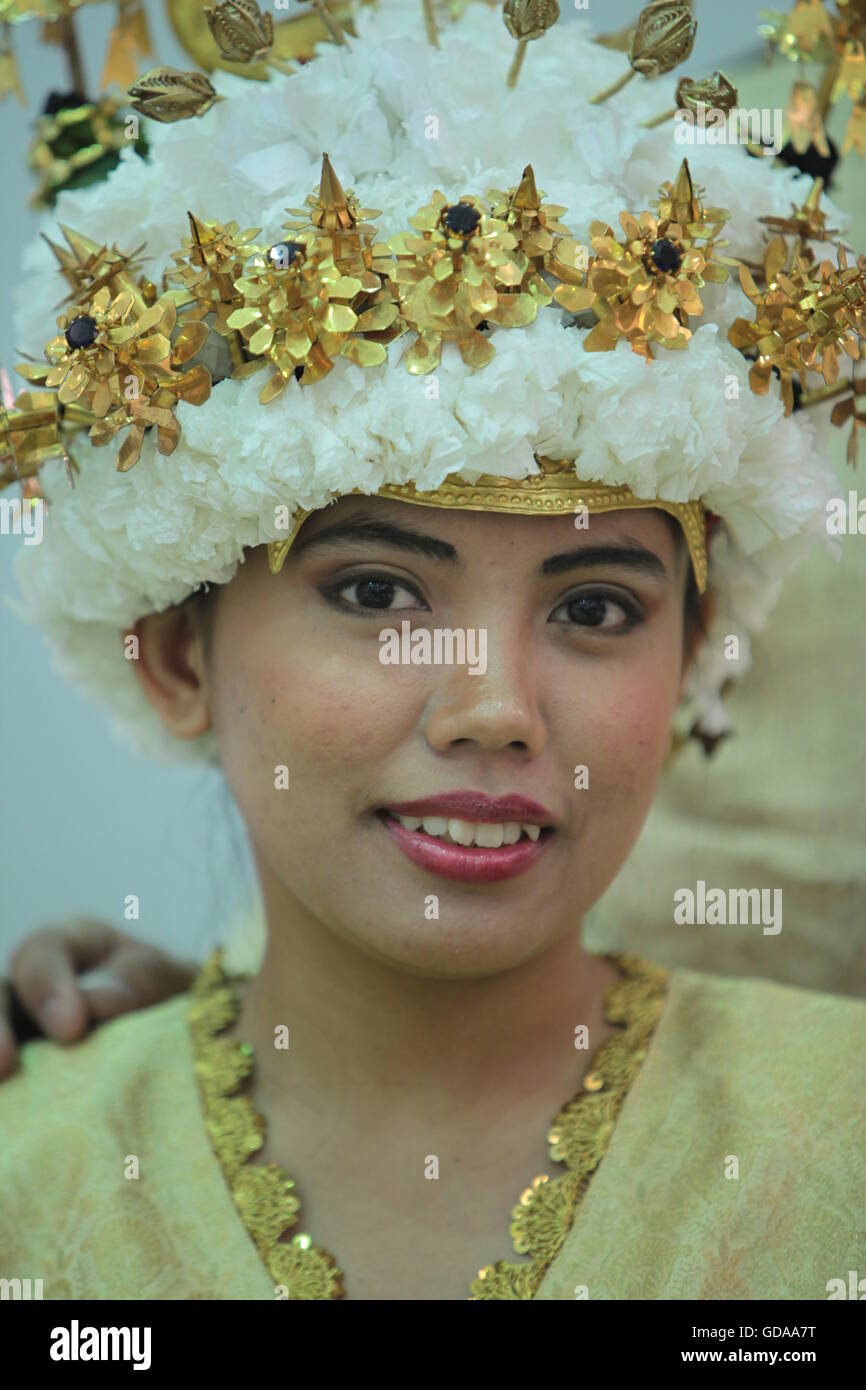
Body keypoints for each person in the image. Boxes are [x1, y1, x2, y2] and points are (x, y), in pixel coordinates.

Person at [1, 2, 863, 1301]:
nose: (492, 708)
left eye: (592, 610)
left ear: (693, 662)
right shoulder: (37, 1184)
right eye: (371, 587)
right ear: (176, 653)